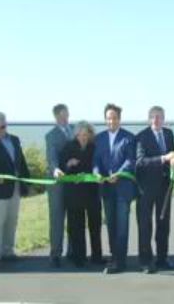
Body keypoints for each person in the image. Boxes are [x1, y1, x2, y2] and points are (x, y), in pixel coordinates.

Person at [0, 112, 31, 267]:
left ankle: (8, 251)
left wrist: (27, 182)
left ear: (6, 125)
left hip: (15, 188)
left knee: (11, 221)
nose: (0, 130)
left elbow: (21, 162)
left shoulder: (15, 140)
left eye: (2, 127)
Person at [92, 103, 137, 274]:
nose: (111, 121)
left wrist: (119, 173)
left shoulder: (129, 138)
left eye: (114, 118)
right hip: (106, 189)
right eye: (108, 118)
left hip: (123, 188)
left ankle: (121, 260)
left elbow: (130, 160)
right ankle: (114, 256)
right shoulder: (99, 138)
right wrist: (96, 173)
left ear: (119, 119)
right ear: (105, 120)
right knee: (110, 224)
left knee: (122, 225)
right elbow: (96, 160)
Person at [135, 105, 174, 273]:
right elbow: (140, 162)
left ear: (164, 118)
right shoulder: (141, 137)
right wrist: (163, 158)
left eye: (160, 116)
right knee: (145, 225)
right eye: (153, 117)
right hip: (145, 188)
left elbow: (173, 154)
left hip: (165, 187)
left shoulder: (168, 134)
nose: (157, 120)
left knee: (163, 224)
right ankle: (145, 261)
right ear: (149, 119)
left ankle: (162, 259)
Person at [56, 121, 103, 267]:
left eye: (86, 134)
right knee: (76, 227)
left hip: (92, 192)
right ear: (76, 135)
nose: (83, 137)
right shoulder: (68, 147)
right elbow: (61, 168)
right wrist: (69, 164)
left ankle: (97, 256)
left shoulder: (94, 147)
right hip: (74, 194)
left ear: (90, 134)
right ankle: (78, 258)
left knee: (95, 225)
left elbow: (98, 165)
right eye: (80, 135)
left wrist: (97, 174)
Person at [45, 103, 74, 268]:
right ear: (56, 117)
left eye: (67, 114)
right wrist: (55, 169)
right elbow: (51, 157)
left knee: (74, 217)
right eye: (62, 116)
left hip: (73, 182)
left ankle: (72, 251)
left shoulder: (74, 129)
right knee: (57, 218)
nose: (65, 118)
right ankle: (55, 253)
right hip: (57, 183)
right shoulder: (51, 136)